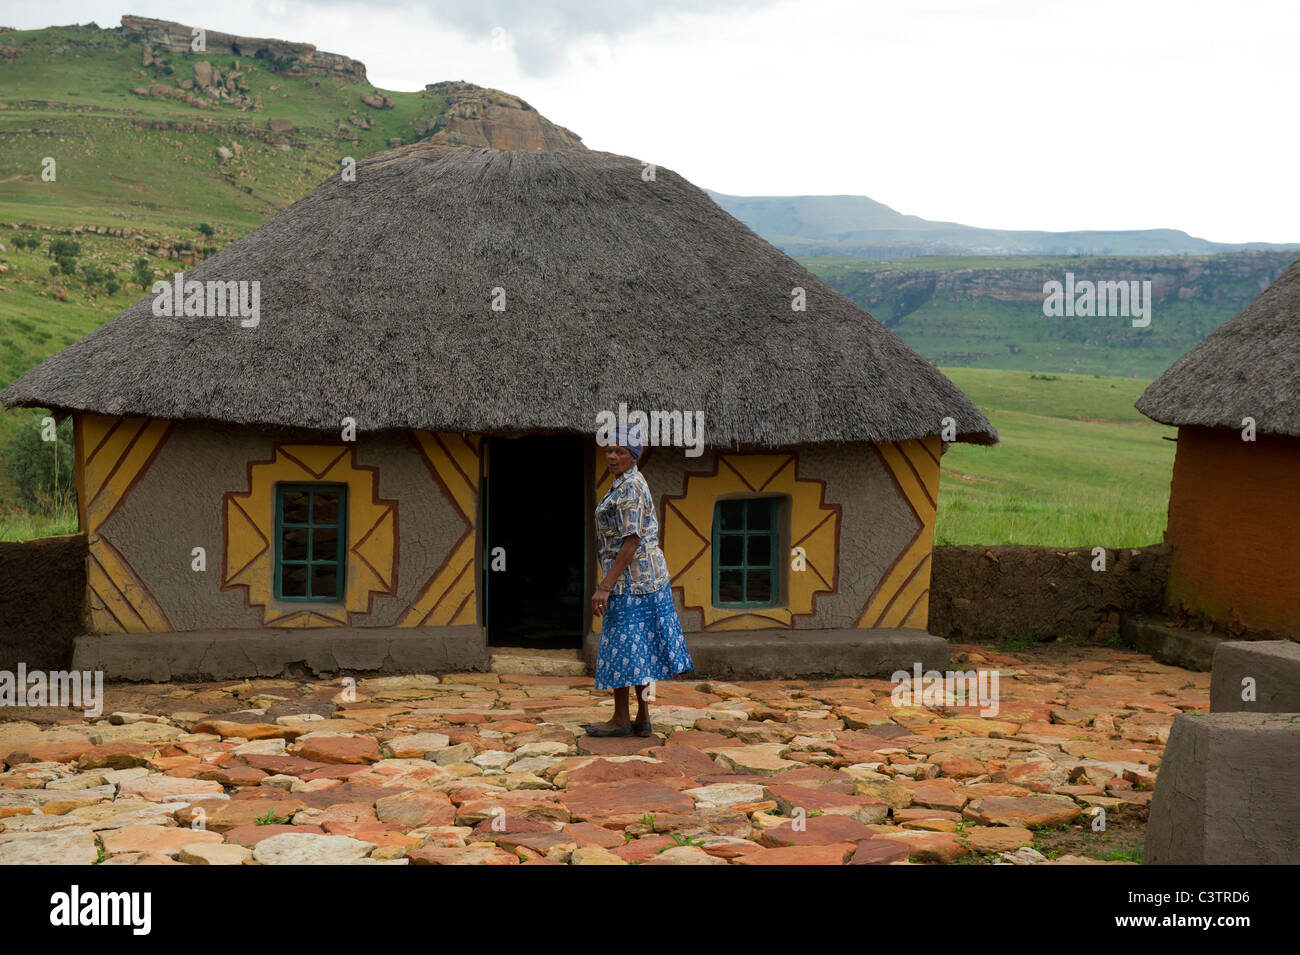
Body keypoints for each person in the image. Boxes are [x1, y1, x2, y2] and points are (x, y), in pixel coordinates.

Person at [585, 424, 695, 737]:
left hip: (630, 583)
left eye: (621, 451)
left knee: (621, 648)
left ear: (634, 456)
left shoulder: (629, 488)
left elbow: (631, 542)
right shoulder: (627, 482)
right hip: (646, 580)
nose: (612, 456)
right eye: (609, 450)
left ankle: (622, 719)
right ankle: (643, 717)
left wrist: (604, 587)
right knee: (641, 649)